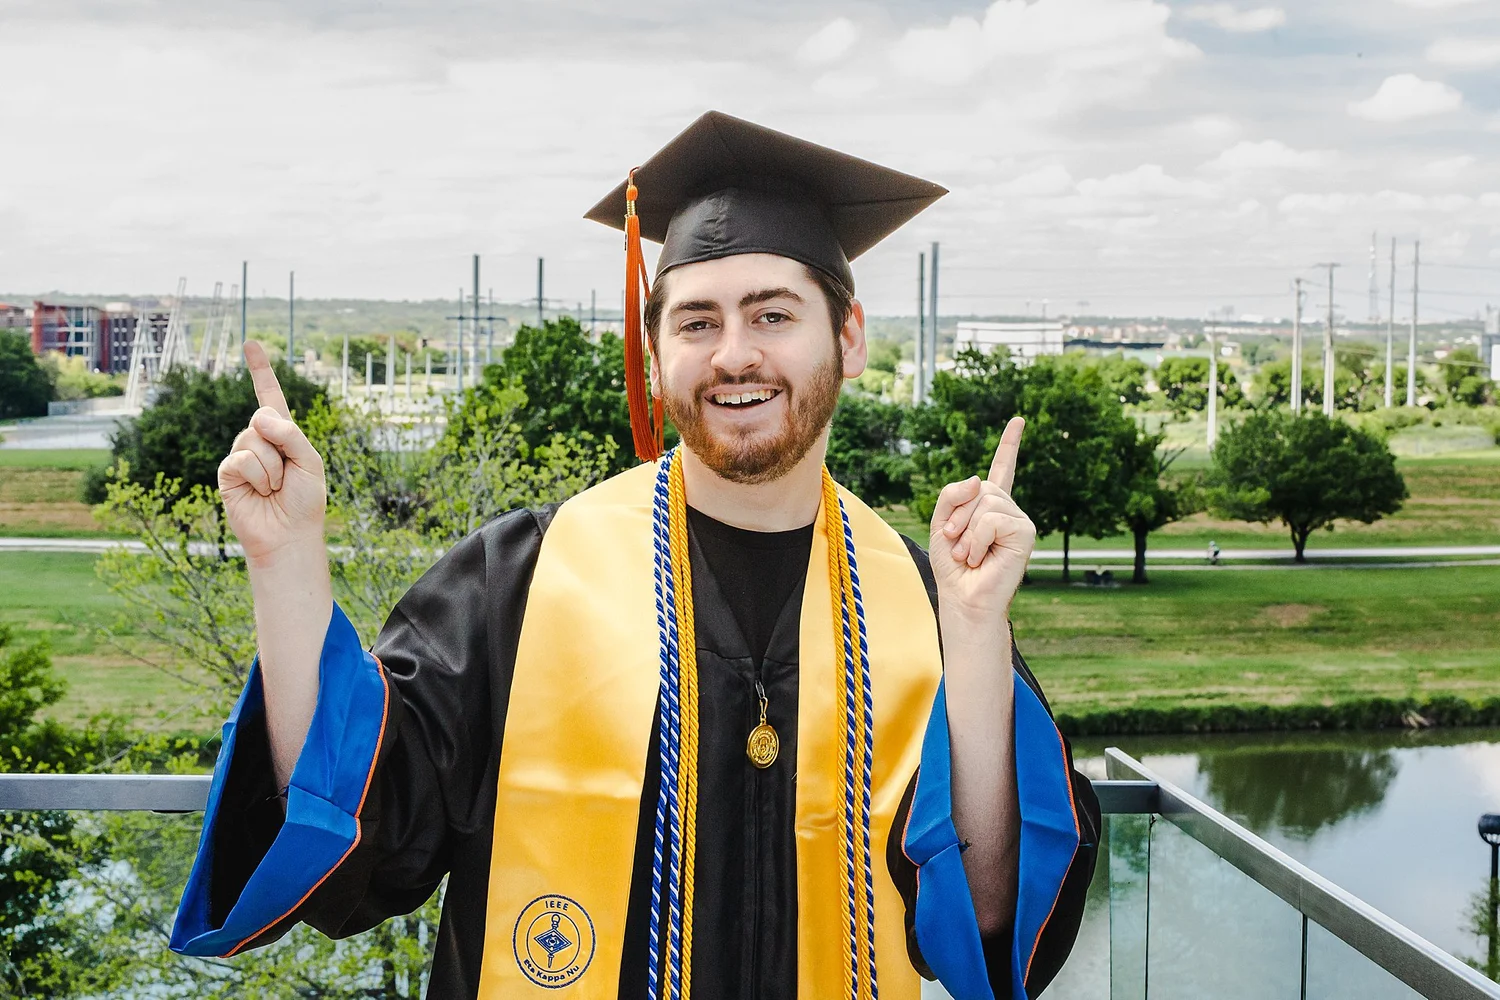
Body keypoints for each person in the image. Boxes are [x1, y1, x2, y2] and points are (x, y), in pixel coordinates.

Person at [170, 111, 1099, 1000]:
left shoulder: (921, 592)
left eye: (774, 315)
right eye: (697, 322)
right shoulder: (527, 575)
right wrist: (286, 561)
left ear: (847, 339)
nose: (735, 355)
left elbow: (983, 923)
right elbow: (358, 835)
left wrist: (975, 633)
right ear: (655, 351)